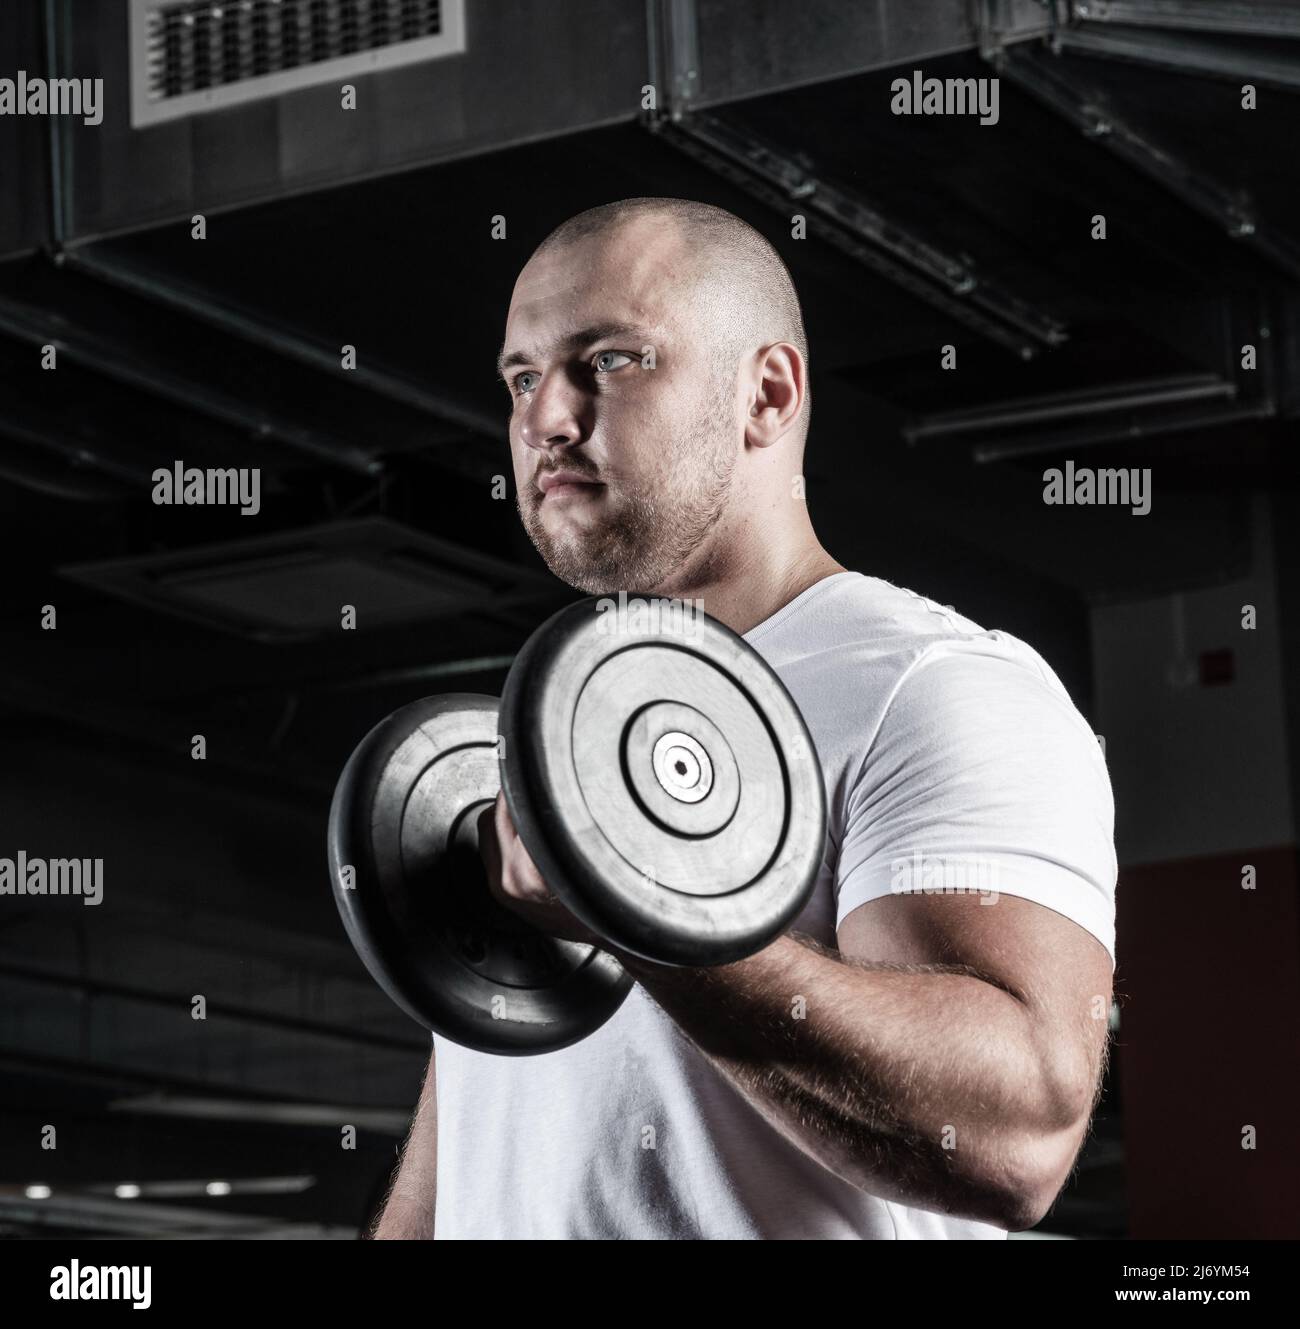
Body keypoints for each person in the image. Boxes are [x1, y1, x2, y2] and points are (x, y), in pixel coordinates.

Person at [370, 197, 1117, 1240]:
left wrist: (633, 916)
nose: (548, 418)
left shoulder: (933, 683)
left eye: (613, 360)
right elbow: (466, 1170)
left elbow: (1013, 1134)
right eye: (524, 377)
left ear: (764, 394)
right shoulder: (546, 734)